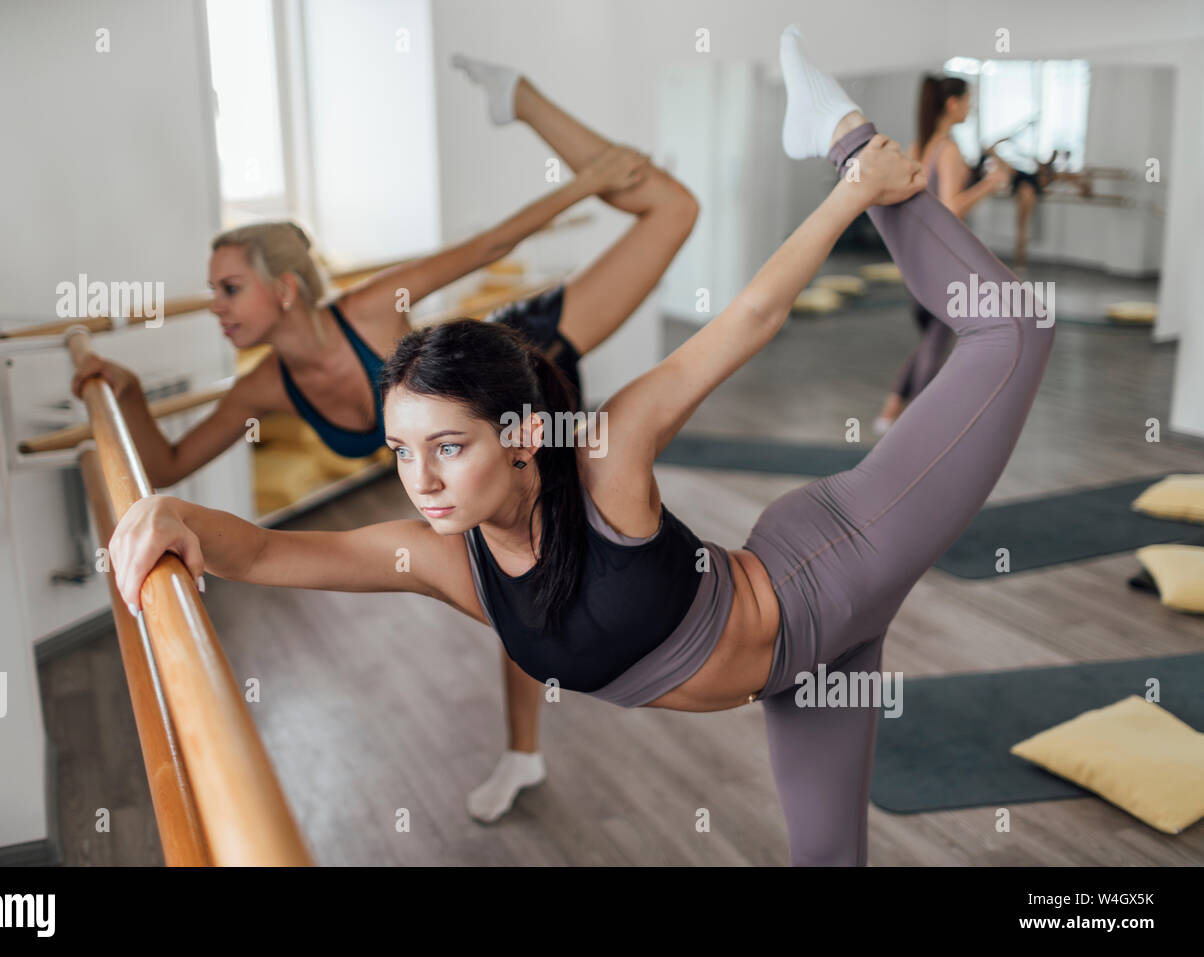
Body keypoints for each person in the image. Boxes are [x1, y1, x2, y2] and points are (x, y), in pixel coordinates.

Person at [105, 25, 1056, 866]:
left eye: (447, 447)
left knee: (1011, 327)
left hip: (833, 565)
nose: (420, 482)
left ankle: (838, 127)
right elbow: (267, 550)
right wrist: (176, 517)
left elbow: (753, 315)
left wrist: (857, 182)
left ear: (519, 436)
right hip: (798, 659)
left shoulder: (606, 459)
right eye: (400, 452)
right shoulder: (446, 563)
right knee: (825, 854)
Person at [72, 63, 701, 822]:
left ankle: (523, 100)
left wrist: (587, 183)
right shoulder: (262, 389)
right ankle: (523, 752)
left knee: (671, 208)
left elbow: (489, 244)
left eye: (229, 287)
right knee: (518, 575)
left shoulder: (372, 310)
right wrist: (129, 394)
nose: (216, 307)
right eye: (213, 291)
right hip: (481, 446)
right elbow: (168, 465)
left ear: (285, 290)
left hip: (526, 355)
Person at [872, 73, 1009, 435]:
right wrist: (990, 185)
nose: (971, 107)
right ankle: (912, 426)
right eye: (968, 101)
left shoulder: (919, 145)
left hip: (915, 261)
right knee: (937, 338)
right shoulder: (947, 149)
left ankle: (890, 412)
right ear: (952, 104)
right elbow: (950, 208)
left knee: (932, 337)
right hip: (940, 263)